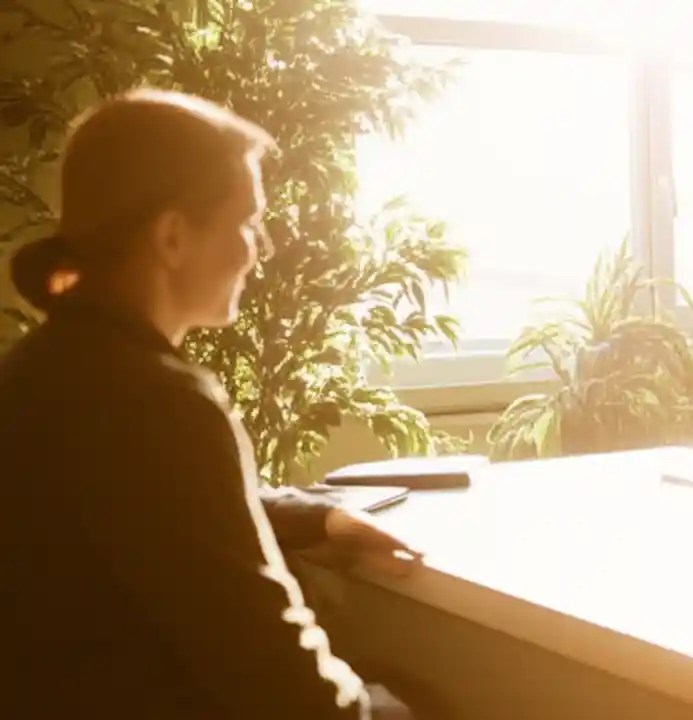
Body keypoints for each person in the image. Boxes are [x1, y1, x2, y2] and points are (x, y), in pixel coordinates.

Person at [0, 89, 417, 718]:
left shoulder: (40, 372)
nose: (262, 249)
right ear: (172, 237)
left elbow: (143, 502)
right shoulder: (157, 401)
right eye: (247, 222)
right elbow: (284, 686)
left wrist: (322, 519)